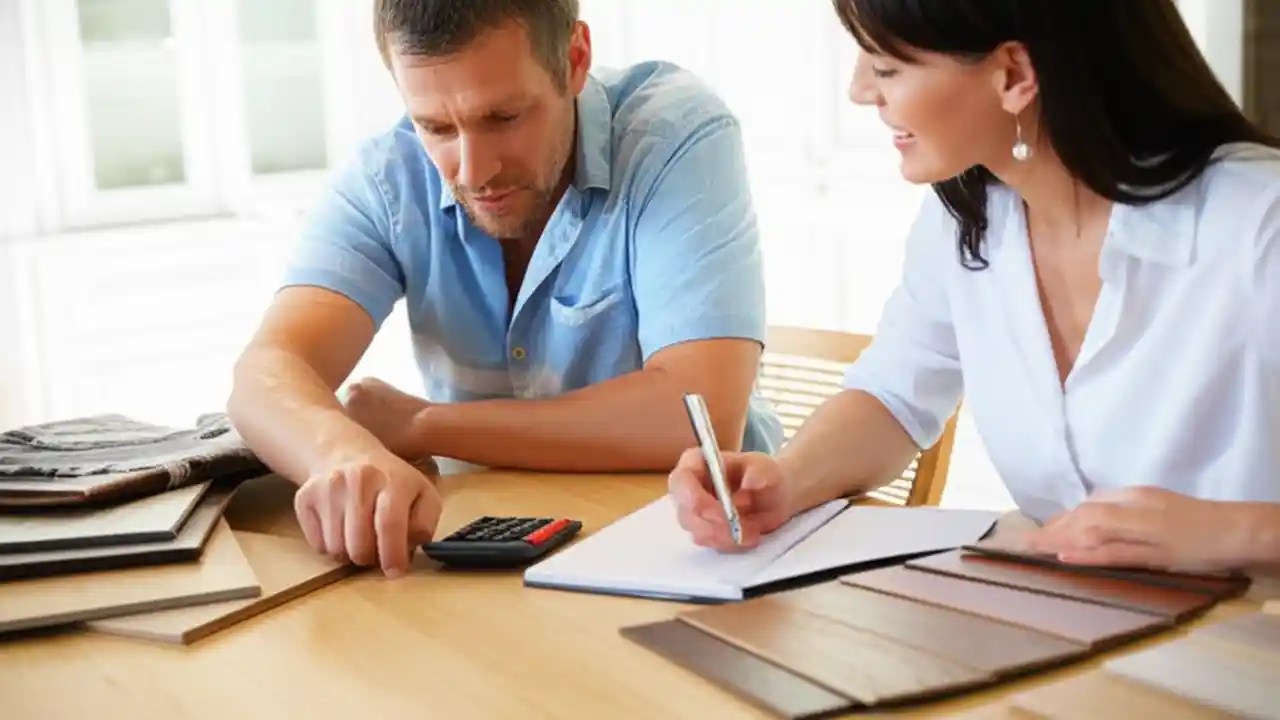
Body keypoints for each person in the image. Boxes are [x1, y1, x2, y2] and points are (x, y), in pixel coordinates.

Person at [668, 0, 1280, 573]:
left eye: (886, 67)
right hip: (1067, 612)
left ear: (1013, 75)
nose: (859, 91)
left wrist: (1228, 532)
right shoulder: (968, 217)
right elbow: (893, 396)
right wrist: (787, 481)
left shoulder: (1258, 222)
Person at [227, 0, 782, 576]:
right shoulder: (388, 177)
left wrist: (424, 425)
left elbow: (698, 417)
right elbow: (266, 373)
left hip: (707, 550)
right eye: (436, 127)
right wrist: (342, 454)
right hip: (498, 552)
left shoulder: (674, 136)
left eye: (503, 117)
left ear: (574, 59)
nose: (473, 171)